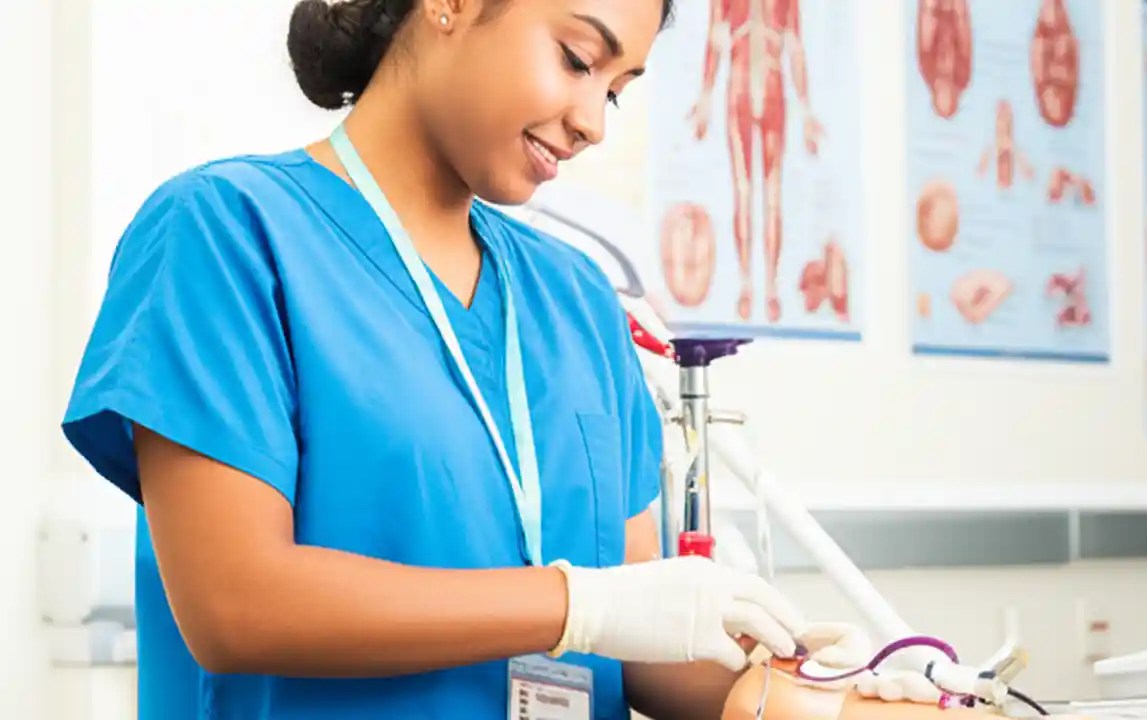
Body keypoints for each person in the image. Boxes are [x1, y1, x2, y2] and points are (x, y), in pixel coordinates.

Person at [60, 1, 883, 718]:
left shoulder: (579, 302)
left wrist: (835, 689)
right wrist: (578, 605)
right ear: (449, 3)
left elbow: (645, 655)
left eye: (617, 91)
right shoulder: (227, 235)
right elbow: (236, 607)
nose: (593, 121)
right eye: (578, 59)